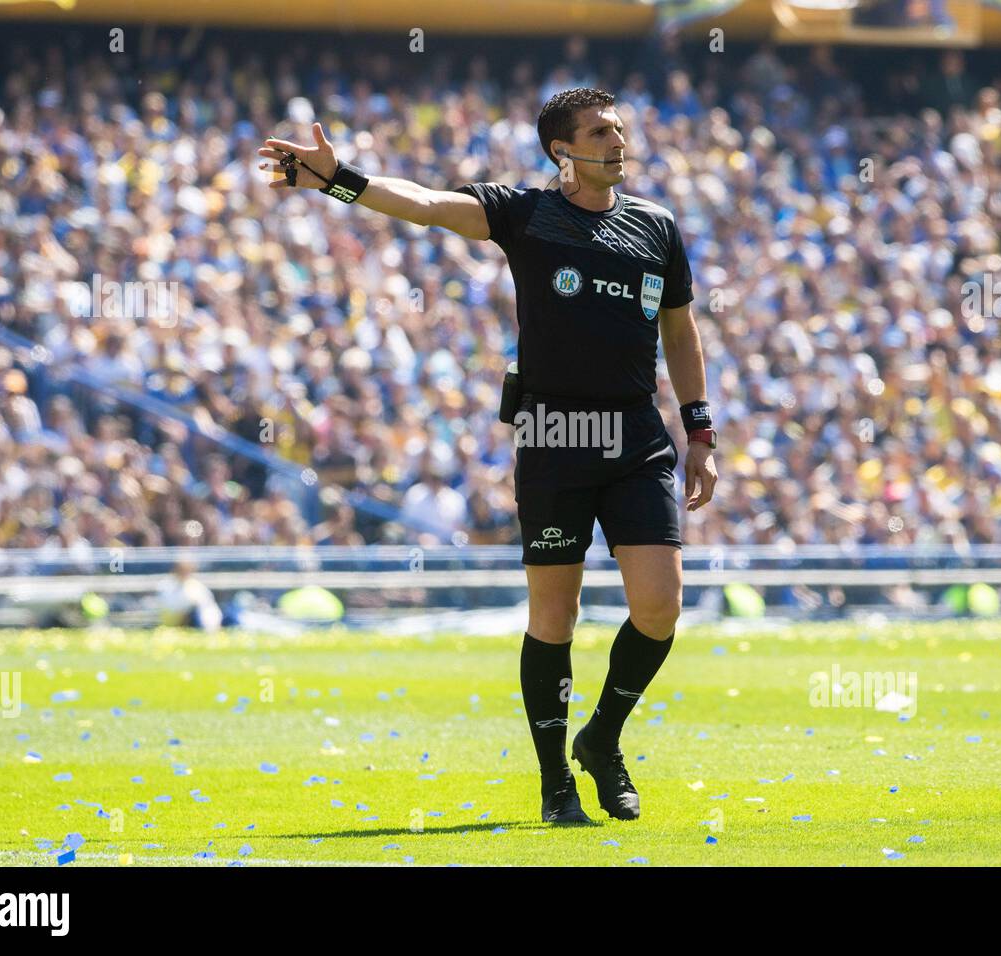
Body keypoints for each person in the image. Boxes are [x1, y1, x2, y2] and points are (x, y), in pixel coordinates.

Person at [257, 87, 718, 824]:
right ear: (562, 150)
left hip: (637, 439)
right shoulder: (525, 213)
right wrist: (342, 179)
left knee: (660, 608)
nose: (618, 141)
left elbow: (681, 332)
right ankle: (555, 786)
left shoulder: (657, 226)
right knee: (554, 618)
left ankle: (602, 740)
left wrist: (700, 433)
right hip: (554, 439)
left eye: (621, 129)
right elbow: (430, 205)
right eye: (602, 131)